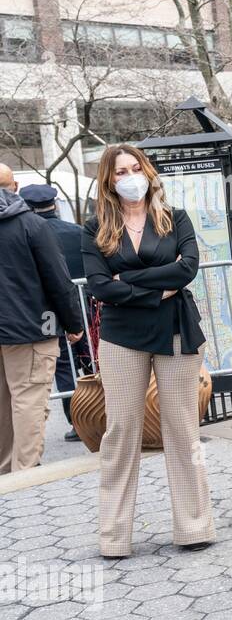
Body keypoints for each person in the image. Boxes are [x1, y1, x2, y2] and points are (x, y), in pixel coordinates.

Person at [82, 144, 215, 558]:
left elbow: (187, 268)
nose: (129, 176)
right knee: (121, 431)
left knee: (182, 429)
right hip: (122, 337)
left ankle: (194, 527)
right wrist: (159, 288)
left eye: (135, 168)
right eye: (120, 171)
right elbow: (100, 285)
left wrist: (132, 281)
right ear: (109, 180)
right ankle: (113, 537)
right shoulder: (95, 228)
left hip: (176, 332)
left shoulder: (174, 217)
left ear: (147, 171)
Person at [0, 166, 84, 474]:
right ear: (17, 186)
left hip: (20, 326)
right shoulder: (32, 226)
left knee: (4, 404)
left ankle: (5, 471)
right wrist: (74, 323)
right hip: (32, 328)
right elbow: (58, 281)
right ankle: (25, 472)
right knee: (29, 400)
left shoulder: (31, 225)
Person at [22, 183, 92, 442]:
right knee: (93, 360)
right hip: (85, 305)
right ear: (55, 204)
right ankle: (104, 413)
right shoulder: (78, 232)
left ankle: (78, 422)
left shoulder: (28, 235)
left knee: (64, 367)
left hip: (48, 312)